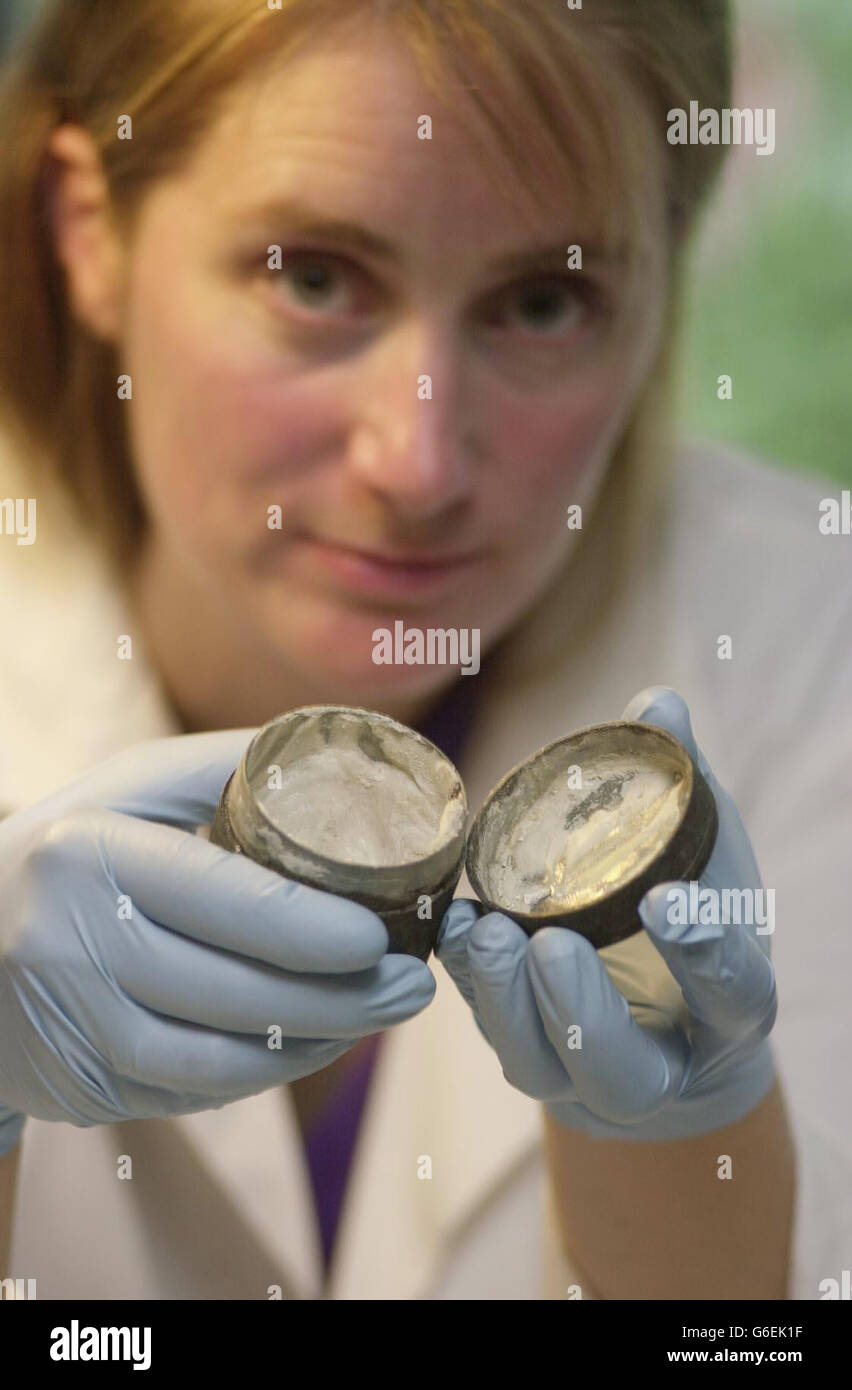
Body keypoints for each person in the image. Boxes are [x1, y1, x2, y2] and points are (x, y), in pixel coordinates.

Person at [0, 0, 848, 1301]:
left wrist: (687, 1154)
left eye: (545, 302)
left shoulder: (812, 637)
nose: (419, 463)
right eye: (314, 278)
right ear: (88, 230)